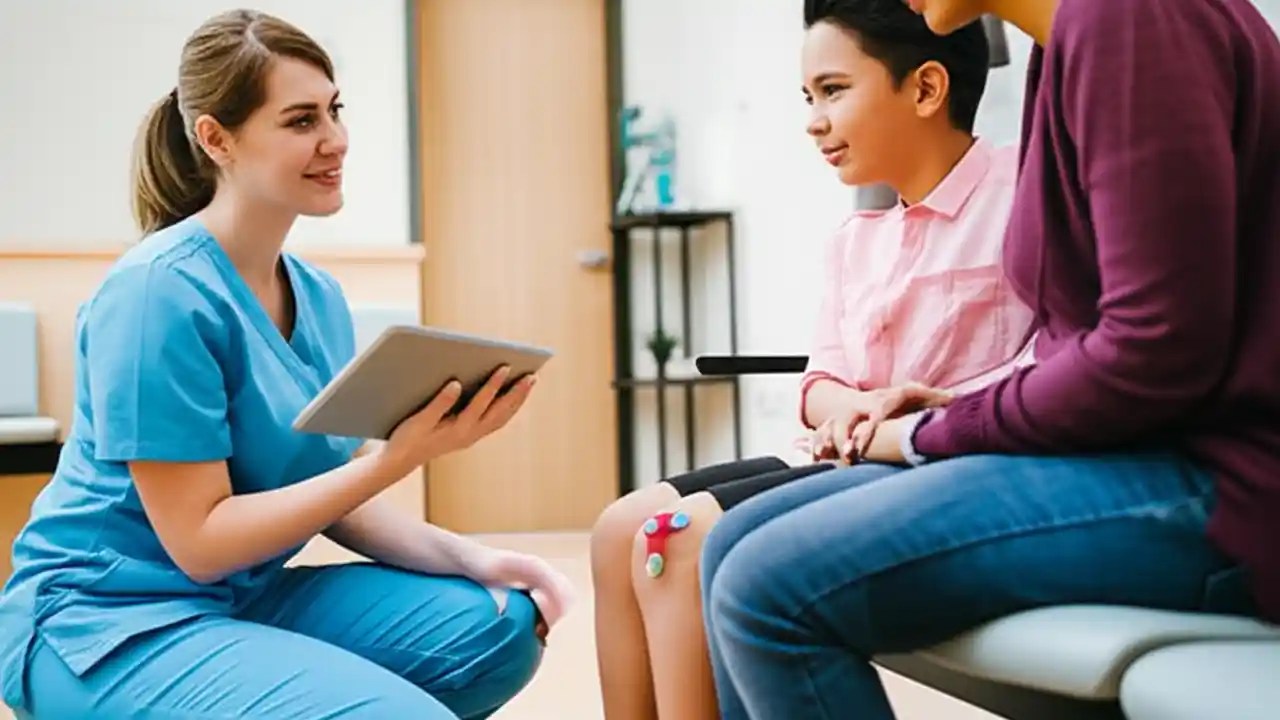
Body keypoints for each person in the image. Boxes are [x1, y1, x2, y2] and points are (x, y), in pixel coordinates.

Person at [698, 0, 1280, 716]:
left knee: (766, 584)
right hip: (1132, 455)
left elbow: (1153, 350)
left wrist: (925, 433)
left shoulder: (1131, 21)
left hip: (1219, 485)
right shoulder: (1067, 48)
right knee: (730, 542)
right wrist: (943, 415)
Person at [0, 10, 575, 719]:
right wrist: (398, 459)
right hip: (107, 621)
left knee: (499, 627)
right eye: (301, 121)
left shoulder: (319, 297)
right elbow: (202, 544)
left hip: (240, 598)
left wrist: (470, 557)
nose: (334, 140)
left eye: (335, 110)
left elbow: (335, 492)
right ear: (216, 139)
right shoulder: (157, 295)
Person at [589, 4, 1035, 717]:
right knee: (619, 530)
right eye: (808, 98)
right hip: (843, 459)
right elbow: (818, 381)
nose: (813, 120)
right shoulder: (854, 240)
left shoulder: (1025, 196)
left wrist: (916, 411)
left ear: (924, 90)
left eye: (833, 90)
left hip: (933, 469)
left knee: (671, 542)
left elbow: (1053, 360)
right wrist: (849, 407)